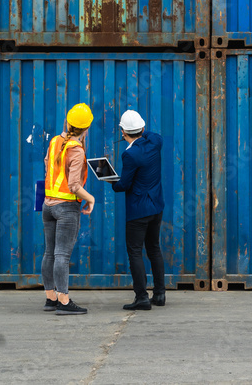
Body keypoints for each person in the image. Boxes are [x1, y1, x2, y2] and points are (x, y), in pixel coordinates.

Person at [41, 103, 97, 316]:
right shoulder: (77, 150)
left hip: (48, 205)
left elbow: (48, 166)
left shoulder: (55, 141)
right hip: (66, 208)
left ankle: (51, 298)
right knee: (62, 254)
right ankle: (64, 302)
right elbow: (74, 186)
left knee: (50, 252)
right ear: (86, 128)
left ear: (67, 122)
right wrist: (90, 198)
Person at [109, 110, 166, 311]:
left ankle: (141, 297)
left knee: (135, 252)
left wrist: (110, 179)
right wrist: (137, 132)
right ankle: (159, 294)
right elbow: (150, 134)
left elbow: (123, 185)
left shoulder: (130, 154)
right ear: (142, 128)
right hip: (156, 207)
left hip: (138, 211)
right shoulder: (155, 142)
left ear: (123, 132)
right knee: (154, 248)